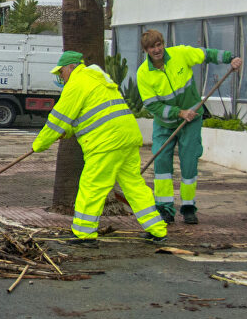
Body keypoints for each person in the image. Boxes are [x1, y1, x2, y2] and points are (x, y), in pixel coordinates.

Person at [32, 51, 168, 247]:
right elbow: (88, 114)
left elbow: (57, 120)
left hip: (106, 143)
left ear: (71, 67)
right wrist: (68, 132)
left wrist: (38, 145)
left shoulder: (77, 83)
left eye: (61, 72)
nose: (61, 77)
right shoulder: (97, 79)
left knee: (92, 186)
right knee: (134, 186)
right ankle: (157, 230)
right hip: (127, 138)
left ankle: (84, 234)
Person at [136, 30, 242, 225]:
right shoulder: (143, 74)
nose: (157, 49)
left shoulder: (180, 54)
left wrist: (231, 58)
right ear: (146, 50)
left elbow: (206, 54)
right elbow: (153, 105)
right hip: (165, 123)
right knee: (161, 166)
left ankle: (188, 208)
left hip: (191, 121)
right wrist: (179, 112)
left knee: (189, 163)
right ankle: (165, 208)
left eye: (159, 45)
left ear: (163, 44)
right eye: (152, 47)